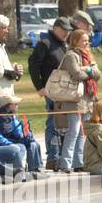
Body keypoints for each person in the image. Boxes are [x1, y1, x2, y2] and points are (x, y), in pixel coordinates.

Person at [48, 28, 100, 174]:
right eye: (83, 40)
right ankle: (65, 164)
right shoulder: (71, 55)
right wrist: (89, 71)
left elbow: (98, 74)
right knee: (74, 131)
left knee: (83, 132)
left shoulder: (88, 55)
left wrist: (88, 70)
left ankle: (79, 162)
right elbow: (76, 74)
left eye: (87, 40)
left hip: (87, 98)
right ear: (75, 41)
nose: (86, 42)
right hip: (73, 99)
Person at [27, 15, 71, 170]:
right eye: (64, 30)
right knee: (53, 124)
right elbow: (33, 65)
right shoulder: (44, 44)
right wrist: (39, 87)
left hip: (65, 91)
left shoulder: (64, 44)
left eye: (69, 31)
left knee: (65, 124)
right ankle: (52, 158)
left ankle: (62, 156)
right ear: (56, 28)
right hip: (51, 91)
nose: (67, 33)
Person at [0, 88, 44, 178]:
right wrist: (26, 134)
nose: (17, 106)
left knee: (34, 144)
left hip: (16, 139)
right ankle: (24, 171)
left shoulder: (12, 115)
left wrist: (27, 132)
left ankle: (34, 169)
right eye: (15, 104)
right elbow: (17, 134)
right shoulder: (4, 118)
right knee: (27, 145)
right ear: (8, 106)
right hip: (10, 141)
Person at [0, 85, 27, 181]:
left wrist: (7, 143)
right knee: (14, 150)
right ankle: (16, 174)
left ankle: (9, 175)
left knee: (20, 147)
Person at [0, 14, 25, 96]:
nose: (7, 31)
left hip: (5, 97)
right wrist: (6, 72)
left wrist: (13, 69)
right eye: (3, 28)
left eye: (7, 28)